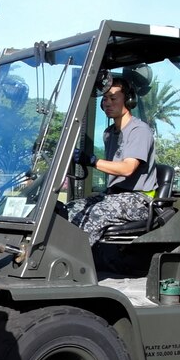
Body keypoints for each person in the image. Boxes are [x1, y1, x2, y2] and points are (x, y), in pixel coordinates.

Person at [67, 76, 159, 244]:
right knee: (69, 209)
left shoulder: (139, 131)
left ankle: (80, 264)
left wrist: (93, 161)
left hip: (139, 200)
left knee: (93, 215)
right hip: (113, 196)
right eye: (105, 99)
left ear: (129, 100)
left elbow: (127, 169)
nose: (107, 103)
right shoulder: (109, 133)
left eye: (113, 98)